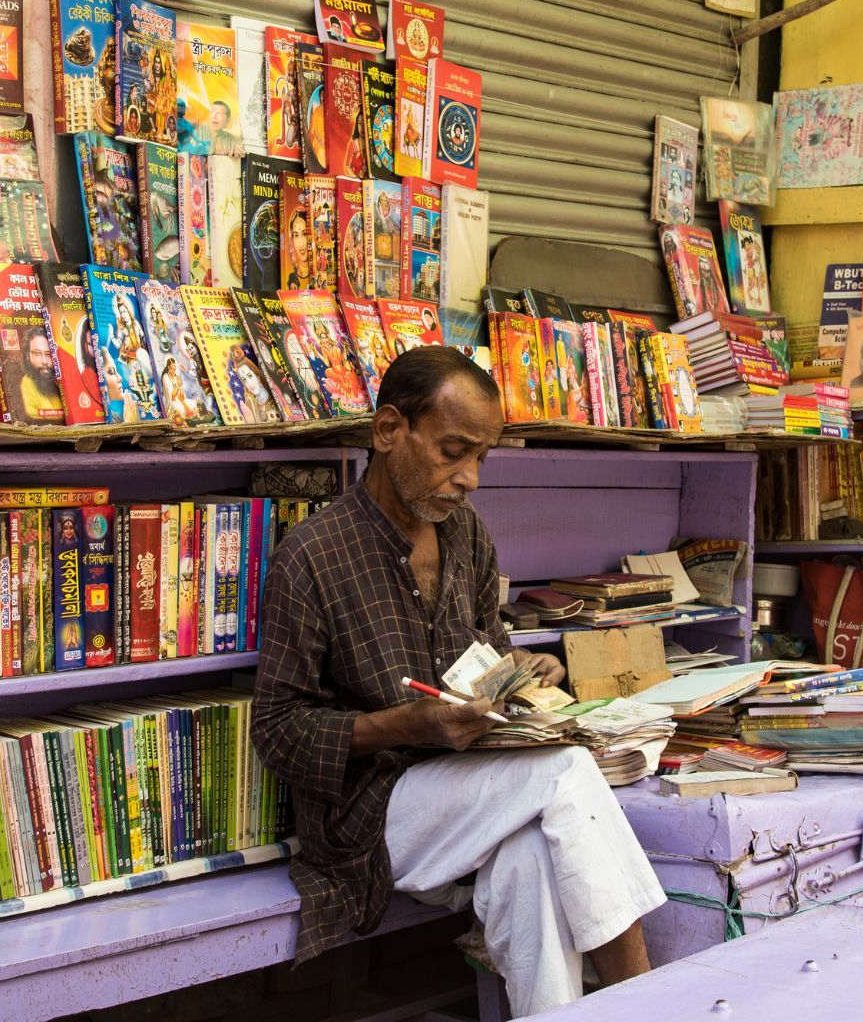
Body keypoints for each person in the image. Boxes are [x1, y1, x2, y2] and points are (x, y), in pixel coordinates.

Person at [253, 347, 664, 1017]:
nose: (469, 477)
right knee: (565, 773)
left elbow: (487, 658)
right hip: (371, 818)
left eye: (481, 458)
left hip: (473, 793)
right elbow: (277, 733)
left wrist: (522, 678)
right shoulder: (312, 557)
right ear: (390, 431)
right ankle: (646, 1002)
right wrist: (406, 726)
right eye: (452, 451)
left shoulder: (466, 536)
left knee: (531, 861)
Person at [18, 326, 63, 421]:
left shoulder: (64, 380)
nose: (44, 361)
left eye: (48, 354)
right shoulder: (27, 383)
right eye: (37, 354)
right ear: (27, 356)